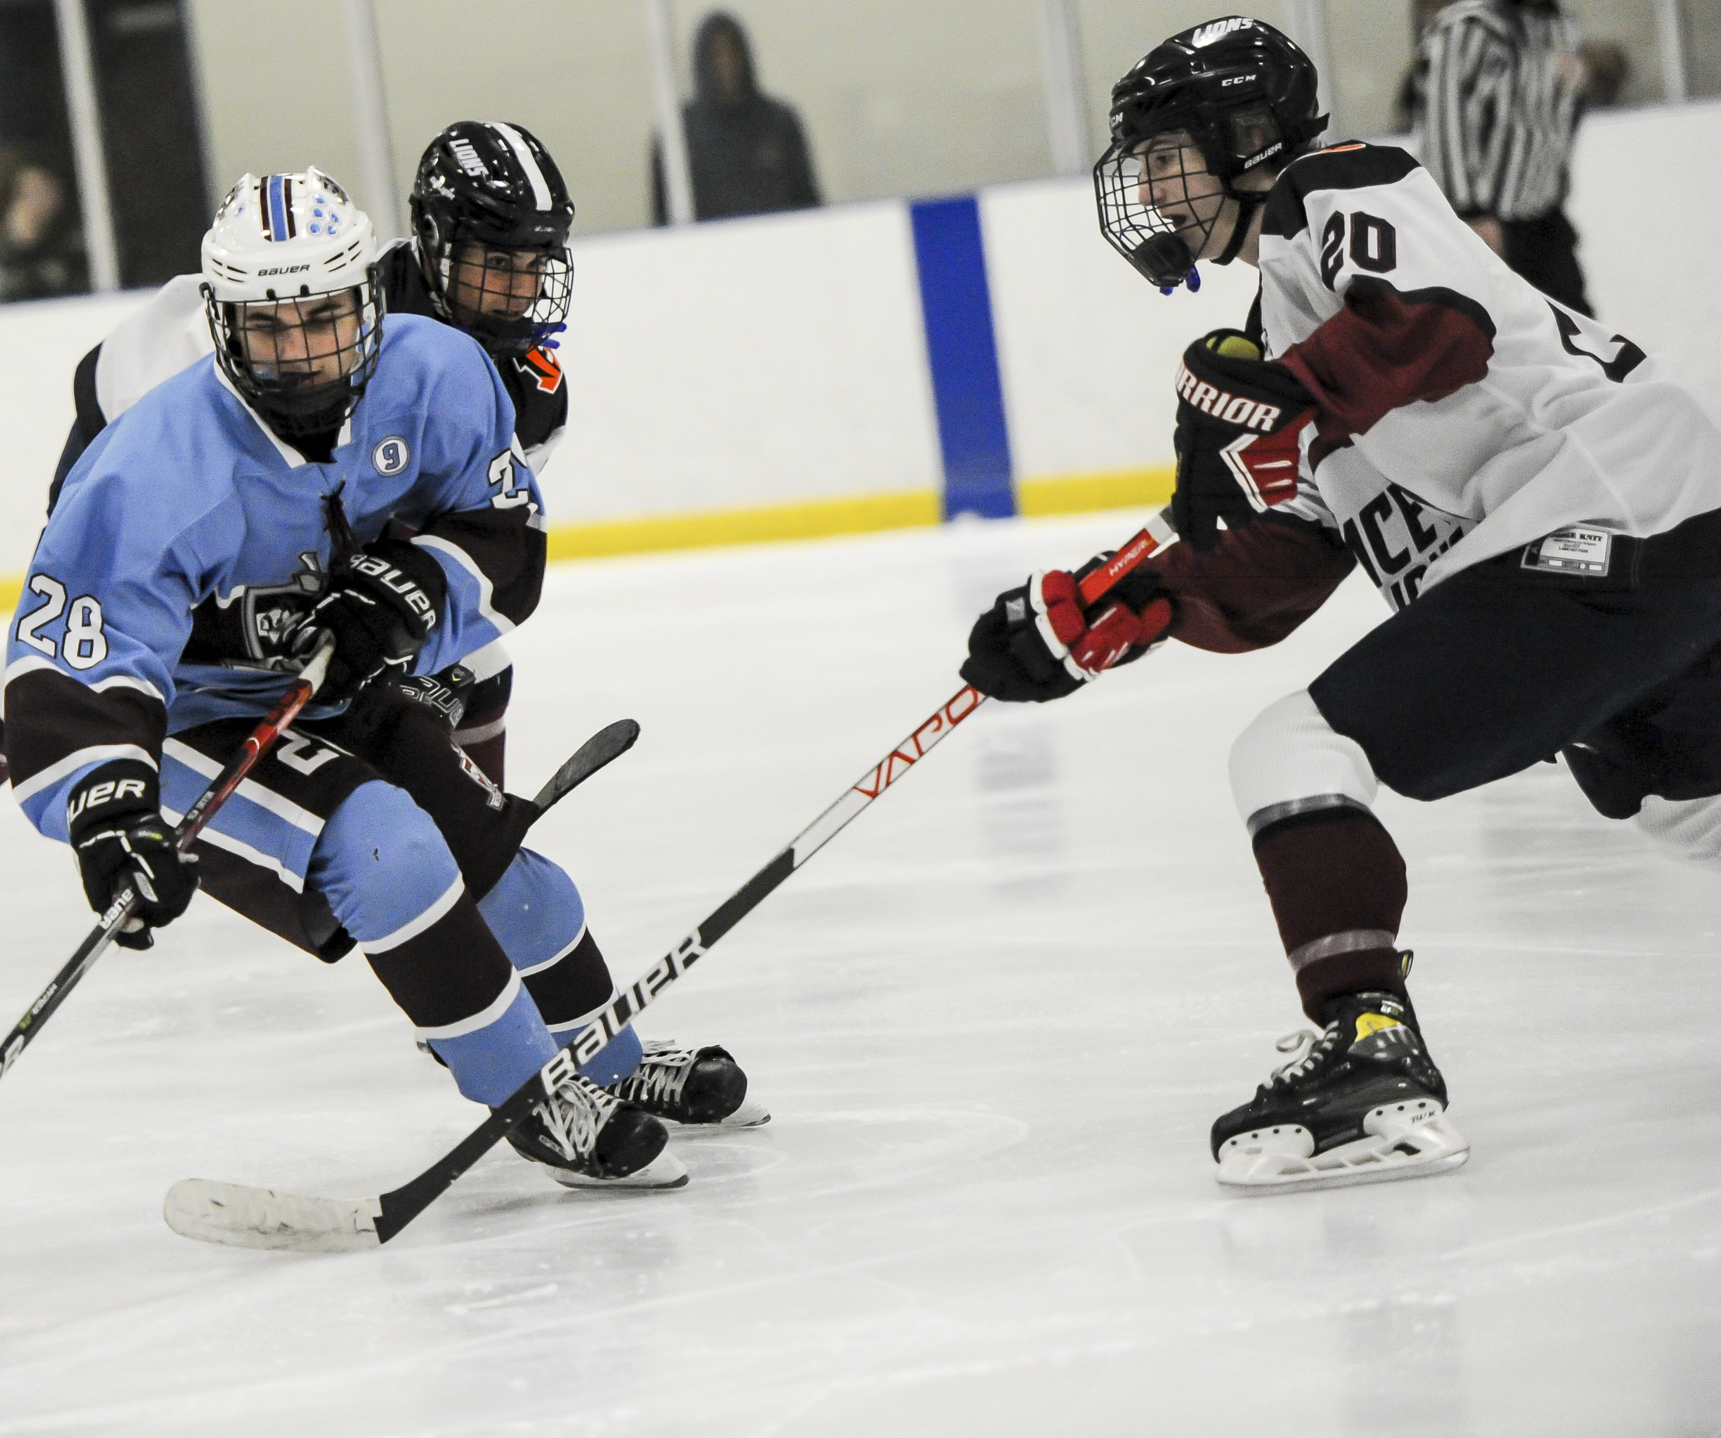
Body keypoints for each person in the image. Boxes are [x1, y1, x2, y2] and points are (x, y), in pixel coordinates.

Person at [966, 17, 1721, 1194]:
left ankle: (1370, 1052)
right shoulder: (1285, 324)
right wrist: (1123, 610)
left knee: (1292, 750)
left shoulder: (1335, 187)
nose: (1151, 188)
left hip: (1611, 516)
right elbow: (1287, 561)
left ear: (1246, 137)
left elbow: (1436, 329)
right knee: (1693, 809)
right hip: (1653, 548)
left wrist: (1278, 396)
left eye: (1166, 155)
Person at [0, 167, 758, 1187]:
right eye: (270, 327)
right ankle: (528, 1095)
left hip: (339, 686)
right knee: (390, 854)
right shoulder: (153, 462)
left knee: (515, 885)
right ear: (222, 323)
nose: (303, 352)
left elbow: (502, 534)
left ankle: (610, 1066)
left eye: (324, 316)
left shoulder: (439, 373)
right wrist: (111, 813)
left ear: (368, 296)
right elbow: (77, 652)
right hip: (194, 717)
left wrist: (412, 591)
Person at [0, 121, 573, 967]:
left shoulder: (524, 387)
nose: (518, 288)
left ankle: (478, 887)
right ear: (432, 242)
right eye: (495, 262)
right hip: (163, 471)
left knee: (476, 661)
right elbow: (162, 465)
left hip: (325, 529)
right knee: (56, 674)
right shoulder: (305, 307)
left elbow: (460, 530)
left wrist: (401, 601)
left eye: (534, 263)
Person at [1417, 0, 1594, 314]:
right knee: (1497, 334)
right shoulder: (1470, 27)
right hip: (1486, 225)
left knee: (1578, 332)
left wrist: (1557, 188)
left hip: (1544, 219)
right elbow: (1446, 127)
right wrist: (1469, 213)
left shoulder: (1559, 25)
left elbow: (1560, 115)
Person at [652, 11, 821, 224]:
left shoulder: (780, 123)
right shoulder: (678, 136)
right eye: (717, 54)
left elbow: (809, 204)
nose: (727, 62)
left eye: (733, 51)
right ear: (703, 61)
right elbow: (663, 221)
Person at [0, 149, 87, 305]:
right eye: (28, 194)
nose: (40, 200)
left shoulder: (75, 244)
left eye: (45, 188)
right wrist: (19, 244)